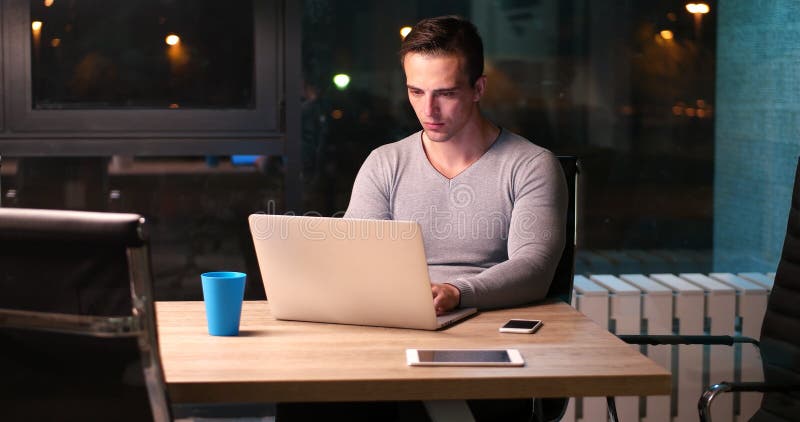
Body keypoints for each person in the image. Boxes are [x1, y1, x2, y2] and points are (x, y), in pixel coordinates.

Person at [345, 15, 568, 315]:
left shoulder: (531, 166)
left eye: (446, 93)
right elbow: (356, 259)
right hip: (401, 316)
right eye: (416, 92)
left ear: (478, 89)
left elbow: (534, 268)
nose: (428, 110)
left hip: (493, 318)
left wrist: (456, 292)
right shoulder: (383, 164)